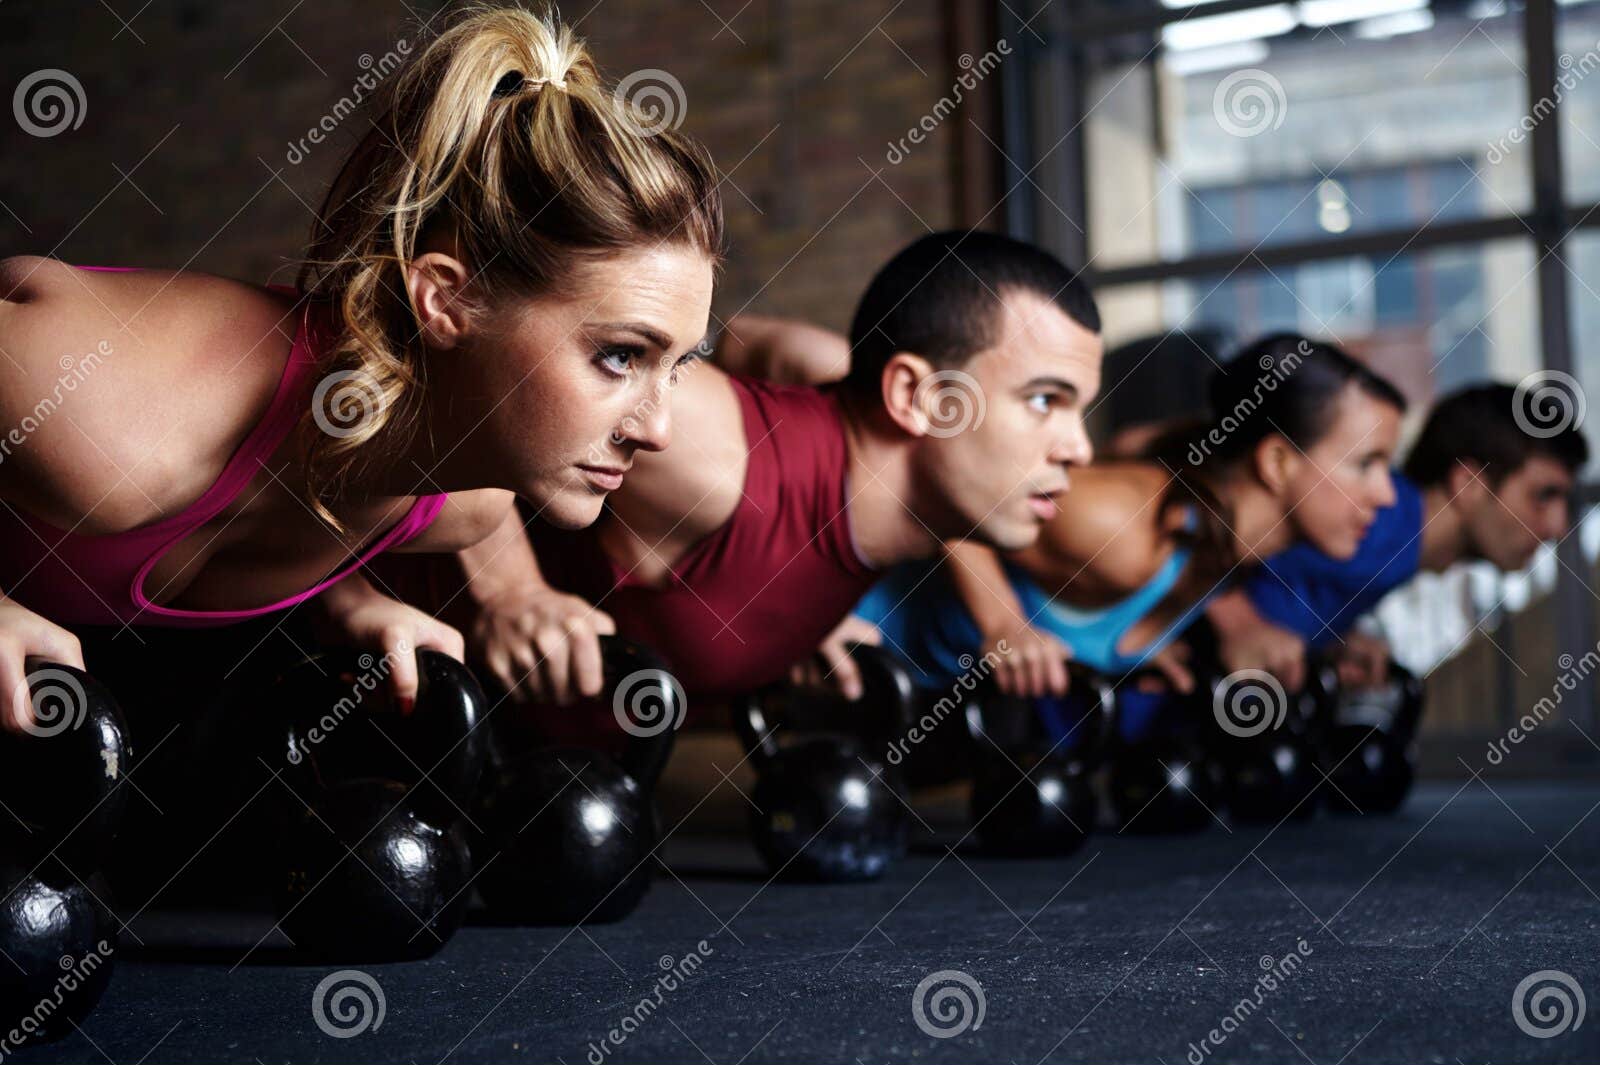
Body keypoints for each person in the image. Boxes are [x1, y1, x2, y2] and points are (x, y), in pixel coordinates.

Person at [0, 7, 722, 731]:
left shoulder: (465, 507)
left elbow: (263, 513)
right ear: (448, 299)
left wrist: (346, 603)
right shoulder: (108, 419)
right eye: (621, 355)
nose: (658, 429)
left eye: (678, 365)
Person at [449, 230, 1103, 705]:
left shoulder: (869, 522)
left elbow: (749, 337)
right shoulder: (708, 452)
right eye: (1045, 401)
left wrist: (795, 617)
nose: (1080, 449)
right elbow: (465, 379)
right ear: (915, 397)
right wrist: (511, 590)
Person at [849, 335, 1409, 714]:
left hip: (886, 704)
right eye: (1367, 463)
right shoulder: (1128, 528)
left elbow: (1135, 445)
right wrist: (1004, 621)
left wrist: (1137, 647)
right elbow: (935, 475)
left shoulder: (1227, 553)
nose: (1386, 495)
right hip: (829, 630)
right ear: (1278, 463)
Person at [1207, 382, 1589, 690]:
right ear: (1469, 484)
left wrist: (1331, 642)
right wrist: (1238, 623)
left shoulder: (1396, 546)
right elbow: (1201, 522)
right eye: (1543, 496)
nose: (1557, 525)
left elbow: (1285, 584)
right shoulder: (1377, 523)